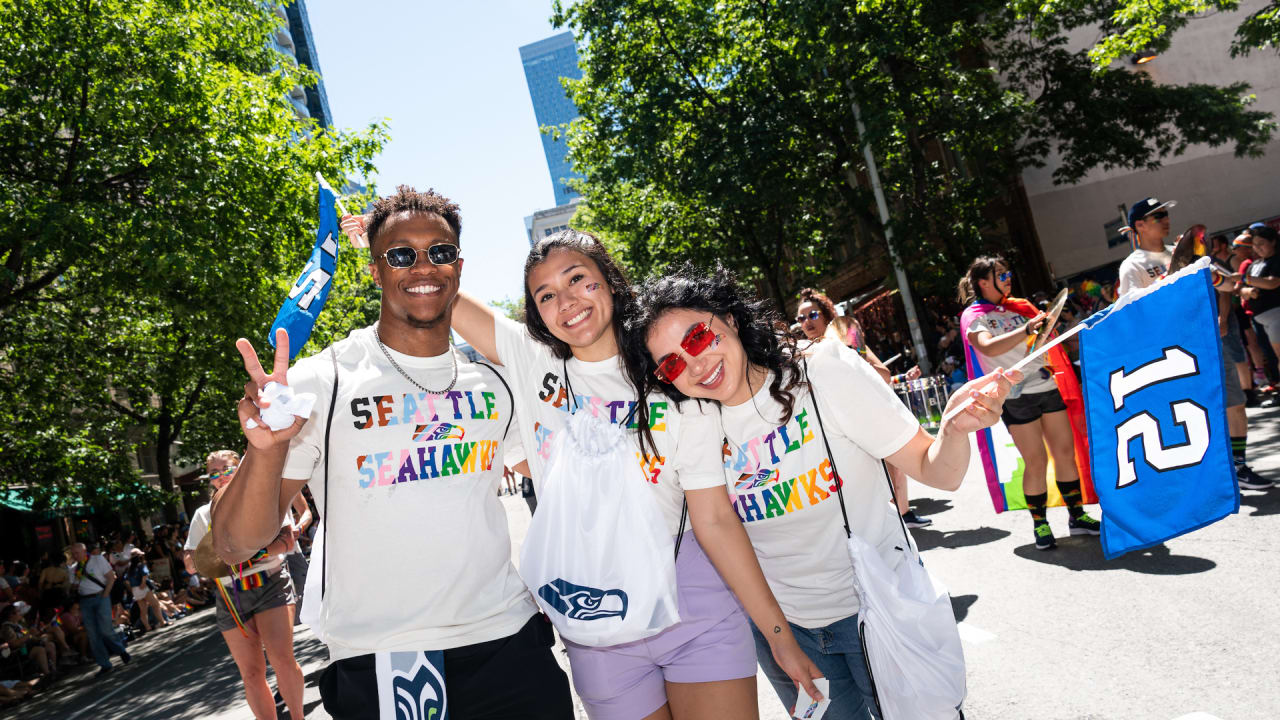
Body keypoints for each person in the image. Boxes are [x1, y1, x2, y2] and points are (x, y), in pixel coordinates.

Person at [216, 186, 575, 720]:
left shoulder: (494, 381)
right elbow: (231, 542)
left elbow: (567, 477)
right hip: (385, 660)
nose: (422, 266)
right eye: (401, 254)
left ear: (458, 267)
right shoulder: (323, 379)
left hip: (509, 642)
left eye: (439, 252)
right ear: (375, 271)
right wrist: (266, 451)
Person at [446, 228, 822, 720]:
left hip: (694, 606)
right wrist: (382, 238)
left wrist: (779, 638)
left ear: (611, 281)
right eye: (546, 295)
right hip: (594, 619)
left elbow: (714, 520)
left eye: (579, 279)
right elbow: (436, 288)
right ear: (536, 314)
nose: (567, 301)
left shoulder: (672, 373)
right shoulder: (529, 360)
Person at [629, 263, 1018, 720]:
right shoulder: (693, 422)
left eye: (697, 337)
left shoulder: (823, 371)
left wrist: (954, 430)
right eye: (671, 363)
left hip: (879, 611)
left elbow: (939, 472)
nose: (695, 365)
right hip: (788, 632)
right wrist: (780, 639)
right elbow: (714, 527)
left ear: (729, 319)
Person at [959, 257, 1101, 550]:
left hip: (1046, 384)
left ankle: (1077, 517)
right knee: (1036, 459)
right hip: (1014, 394)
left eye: (1007, 272)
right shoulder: (974, 316)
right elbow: (986, 346)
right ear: (983, 283)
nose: (1007, 278)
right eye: (999, 274)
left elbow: (1043, 341)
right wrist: (1026, 330)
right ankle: (1040, 523)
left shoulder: (1021, 307)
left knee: (1065, 452)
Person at [797, 288, 931, 529]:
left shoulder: (848, 338)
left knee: (895, 469)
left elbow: (884, 375)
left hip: (865, 416)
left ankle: (902, 516)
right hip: (832, 429)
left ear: (828, 316)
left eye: (813, 315)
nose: (806, 322)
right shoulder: (801, 353)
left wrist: (851, 356)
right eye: (800, 318)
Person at [186, 450, 304, 720]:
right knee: (250, 674)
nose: (220, 477)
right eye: (214, 473)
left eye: (226, 469)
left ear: (239, 468)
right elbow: (191, 562)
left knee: (282, 661)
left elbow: (287, 542)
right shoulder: (204, 515)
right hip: (231, 596)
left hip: (271, 584)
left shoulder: (263, 497)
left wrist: (243, 554)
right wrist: (205, 557)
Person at [67, 542, 130, 676]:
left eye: (77, 553)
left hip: (100, 597)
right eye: (73, 553)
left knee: (105, 629)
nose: (75, 556)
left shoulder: (97, 560)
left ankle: (120, 650)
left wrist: (106, 594)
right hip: (85, 601)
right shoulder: (73, 568)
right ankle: (105, 664)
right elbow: (73, 587)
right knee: (93, 635)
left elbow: (110, 577)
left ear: (84, 552)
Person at [1117, 196, 1176, 296]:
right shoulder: (1132, 265)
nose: (1167, 220)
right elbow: (1134, 305)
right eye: (1158, 216)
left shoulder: (1178, 251)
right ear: (1140, 225)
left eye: (1166, 214)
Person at [123, 549, 168, 633]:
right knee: (155, 605)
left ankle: (147, 627)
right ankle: (162, 622)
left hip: (135, 590)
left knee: (143, 610)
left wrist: (132, 588)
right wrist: (143, 583)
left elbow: (126, 580)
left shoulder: (129, 569)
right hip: (143, 588)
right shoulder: (141, 565)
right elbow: (145, 574)